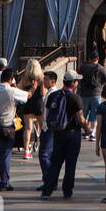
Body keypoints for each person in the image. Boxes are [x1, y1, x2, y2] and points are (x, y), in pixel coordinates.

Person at [41, 70, 89, 199]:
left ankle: (47, 190)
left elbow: (47, 115)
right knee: (70, 164)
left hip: (58, 133)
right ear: (73, 83)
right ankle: (67, 191)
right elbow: (80, 118)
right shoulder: (75, 97)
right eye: (77, 81)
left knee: (55, 162)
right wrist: (87, 129)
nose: (78, 83)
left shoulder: (53, 96)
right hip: (73, 134)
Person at [35, 70, 59, 188]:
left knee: (44, 155)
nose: (44, 81)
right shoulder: (50, 93)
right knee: (47, 155)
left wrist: (46, 126)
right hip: (47, 128)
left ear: (53, 81)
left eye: (46, 79)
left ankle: (50, 180)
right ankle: (49, 180)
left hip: (49, 128)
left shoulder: (53, 94)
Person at [77, 53, 106, 140]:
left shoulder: (83, 67)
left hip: (84, 93)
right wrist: (100, 85)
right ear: (98, 58)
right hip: (96, 93)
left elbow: (78, 77)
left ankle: (85, 131)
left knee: (84, 112)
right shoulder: (101, 68)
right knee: (95, 113)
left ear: (89, 58)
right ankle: (93, 131)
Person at [19, 60, 44, 160]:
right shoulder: (41, 78)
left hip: (28, 104)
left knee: (28, 128)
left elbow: (20, 90)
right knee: (43, 127)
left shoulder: (25, 79)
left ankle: (26, 151)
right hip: (38, 103)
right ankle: (43, 147)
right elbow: (42, 93)